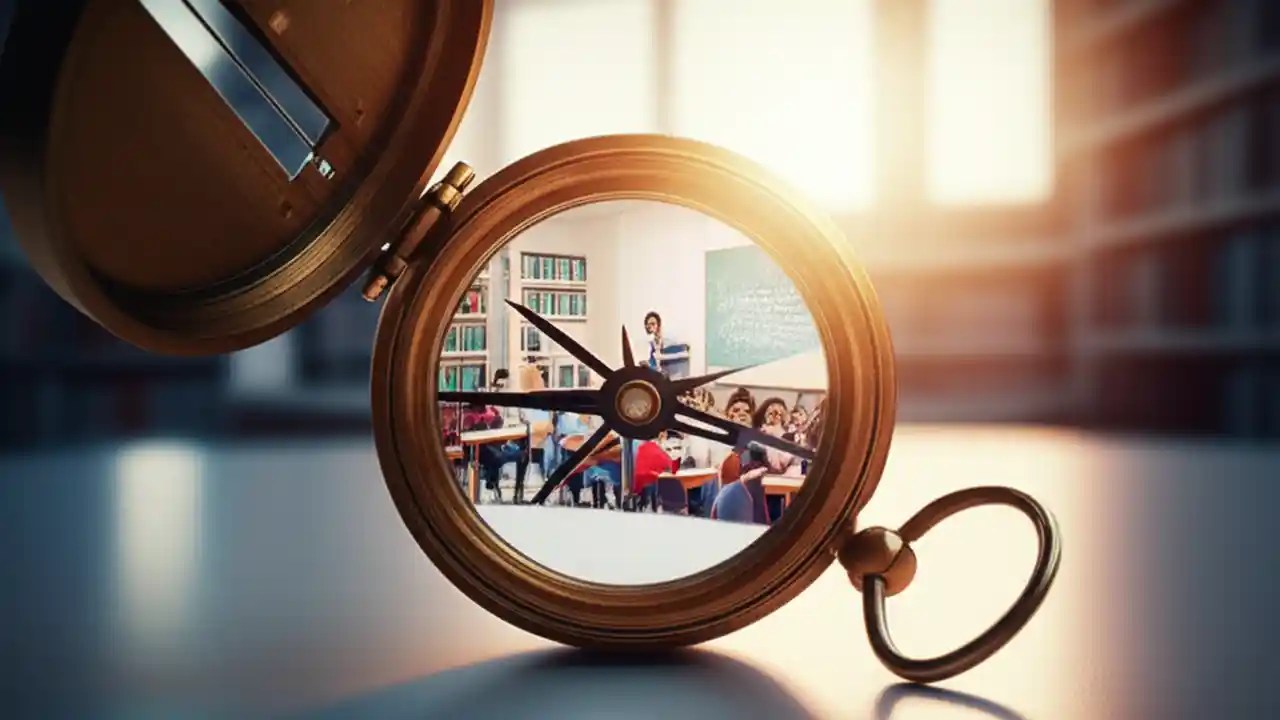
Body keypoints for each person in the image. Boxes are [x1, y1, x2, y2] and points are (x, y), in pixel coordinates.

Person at [641, 311, 690, 379]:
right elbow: (654, 364)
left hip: (675, 375)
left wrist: (662, 357)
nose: (650, 327)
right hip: (662, 377)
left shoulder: (669, 339)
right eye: (648, 324)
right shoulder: (652, 344)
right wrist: (648, 365)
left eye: (653, 324)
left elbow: (685, 353)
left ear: (658, 325)